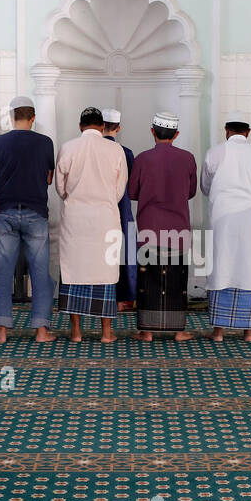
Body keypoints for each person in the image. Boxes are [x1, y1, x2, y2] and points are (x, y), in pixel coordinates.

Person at [0, 95, 56, 344]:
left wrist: (3, 181)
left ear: (11, 118)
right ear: (33, 118)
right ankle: (42, 332)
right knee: (40, 272)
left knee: (2, 271)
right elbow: (48, 179)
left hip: (5, 211)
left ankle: (1, 331)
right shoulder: (46, 143)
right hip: (36, 212)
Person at [56, 106, 129, 343]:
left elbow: (60, 187)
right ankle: (106, 333)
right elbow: (119, 190)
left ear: (80, 126)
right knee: (105, 274)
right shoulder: (115, 149)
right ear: (102, 126)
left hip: (75, 219)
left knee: (74, 272)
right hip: (105, 220)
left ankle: (76, 332)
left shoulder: (68, 147)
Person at [128, 111, 198, 341]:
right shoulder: (188, 158)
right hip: (177, 229)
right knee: (177, 280)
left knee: (149, 280)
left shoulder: (142, 159)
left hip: (150, 229)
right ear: (176, 134)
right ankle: (178, 331)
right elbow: (191, 192)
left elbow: (132, 193)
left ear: (152, 132)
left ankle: (146, 331)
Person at [202, 110, 251, 342]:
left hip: (222, 218)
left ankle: (218, 332)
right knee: (247, 269)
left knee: (221, 268)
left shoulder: (215, 153)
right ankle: (248, 331)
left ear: (226, 131)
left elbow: (205, 186)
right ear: (248, 132)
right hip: (250, 219)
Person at [101, 108, 138, 313]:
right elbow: (131, 186)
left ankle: (102, 297)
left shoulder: (92, 149)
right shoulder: (126, 153)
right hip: (121, 207)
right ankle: (125, 298)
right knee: (124, 251)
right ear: (119, 127)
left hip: (99, 206)